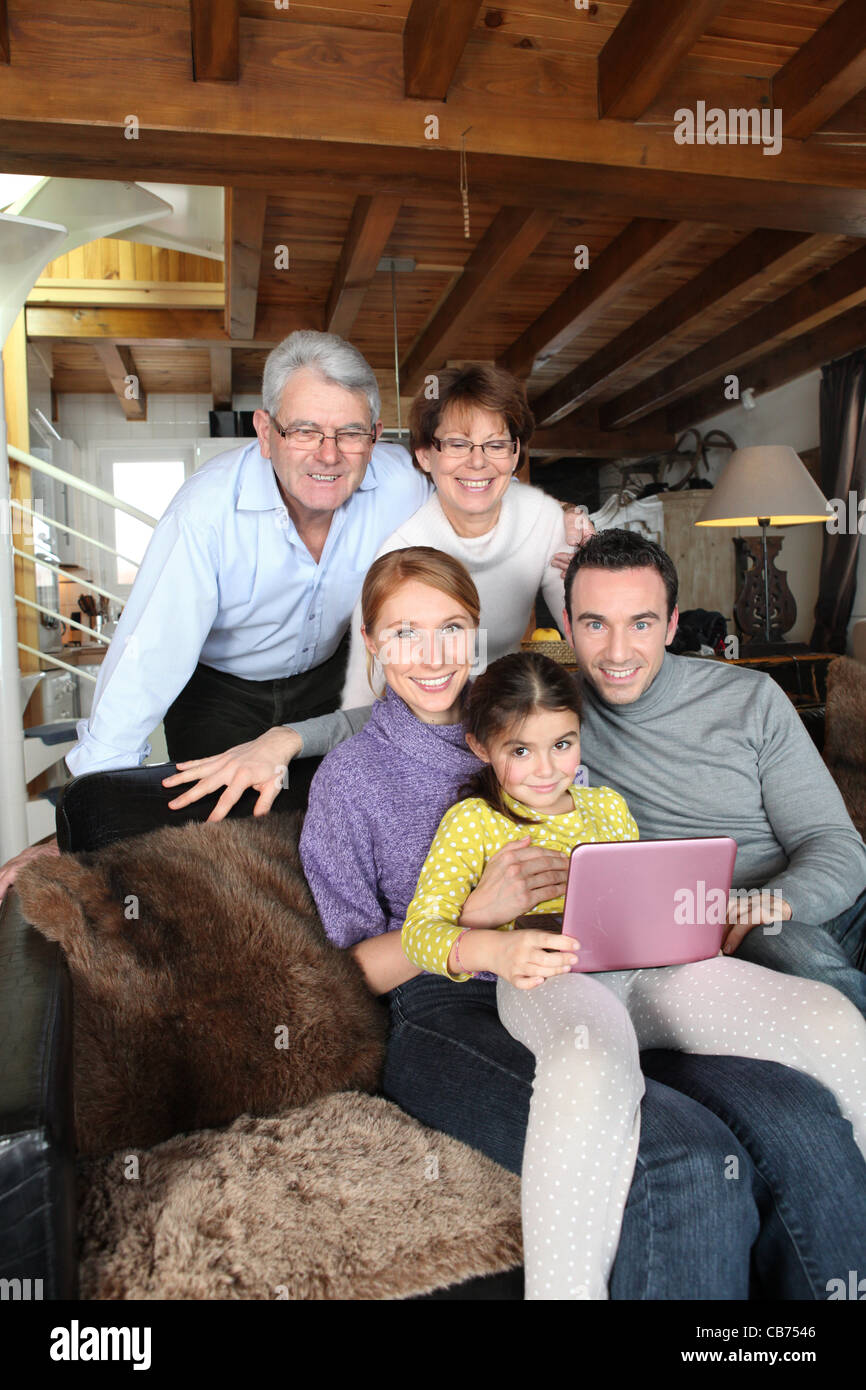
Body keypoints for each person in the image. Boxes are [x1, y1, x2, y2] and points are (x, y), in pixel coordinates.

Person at [297, 545, 866, 1300]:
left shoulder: (543, 718)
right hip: (446, 998)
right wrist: (478, 924)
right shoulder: (354, 779)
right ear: (368, 641)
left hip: (597, 965)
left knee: (801, 1113)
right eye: (402, 633)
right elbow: (346, 977)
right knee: (679, 1159)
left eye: (451, 629)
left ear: (480, 635)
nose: (432, 656)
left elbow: (609, 864)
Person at [558, 529, 866, 1016]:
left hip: (806, 904)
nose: (618, 653)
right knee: (789, 958)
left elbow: (834, 841)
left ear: (671, 624)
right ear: (568, 626)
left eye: (641, 624)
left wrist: (778, 902)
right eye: (596, 625)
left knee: (784, 941)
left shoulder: (751, 697)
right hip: (712, 933)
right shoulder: (548, 722)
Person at [338, 362, 591, 707]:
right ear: (425, 454)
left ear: (515, 453)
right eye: (458, 444)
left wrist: (592, 570)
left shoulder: (547, 524)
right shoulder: (400, 554)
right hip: (427, 727)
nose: (477, 462)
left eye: (496, 445)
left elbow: (597, 643)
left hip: (510, 716)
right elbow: (363, 697)